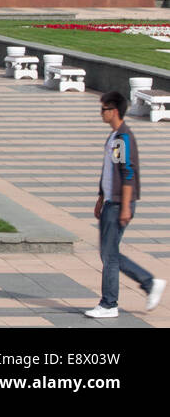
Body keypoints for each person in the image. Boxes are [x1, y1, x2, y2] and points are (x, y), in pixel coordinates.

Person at [86, 92, 165, 318]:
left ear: (114, 111)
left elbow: (127, 172)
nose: (101, 113)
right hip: (111, 201)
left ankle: (110, 303)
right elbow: (109, 172)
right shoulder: (114, 137)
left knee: (109, 255)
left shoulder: (122, 138)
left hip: (119, 203)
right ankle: (148, 284)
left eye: (103, 109)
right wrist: (101, 197)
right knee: (109, 253)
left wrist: (126, 206)